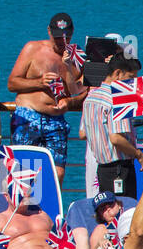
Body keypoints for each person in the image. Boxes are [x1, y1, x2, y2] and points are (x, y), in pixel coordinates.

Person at [6, 12, 84, 182]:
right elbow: (12, 83)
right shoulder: (33, 49)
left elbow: (79, 90)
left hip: (56, 119)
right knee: (25, 171)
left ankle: (51, 208)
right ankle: (22, 207)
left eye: (66, 37)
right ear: (49, 31)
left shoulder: (76, 57)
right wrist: (40, 82)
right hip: (29, 115)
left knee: (58, 173)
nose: (61, 41)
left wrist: (70, 100)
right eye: (57, 37)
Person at [82, 54, 143, 203]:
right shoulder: (117, 99)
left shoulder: (90, 98)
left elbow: (82, 133)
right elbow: (116, 138)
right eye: (130, 77)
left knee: (107, 214)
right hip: (120, 168)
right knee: (125, 211)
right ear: (117, 73)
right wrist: (138, 154)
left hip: (102, 168)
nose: (133, 83)